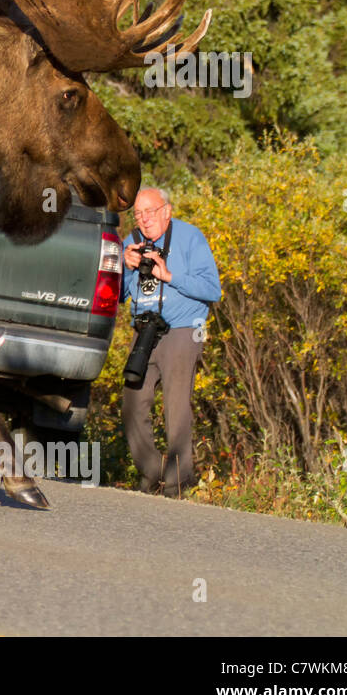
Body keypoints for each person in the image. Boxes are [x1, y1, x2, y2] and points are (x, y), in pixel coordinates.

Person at [120, 187, 221, 497]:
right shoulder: (131, 241)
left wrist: (170, 276)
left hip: (182, 329)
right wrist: (125, 267)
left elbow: (212, 289)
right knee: (132, 403)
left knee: (175, 407)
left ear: (167, 211)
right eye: (137, 214)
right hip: (144, 329)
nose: (143, 219)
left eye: (149, 212)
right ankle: (153, 472)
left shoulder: (191, 237)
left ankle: (177, 482)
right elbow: (121, 294)